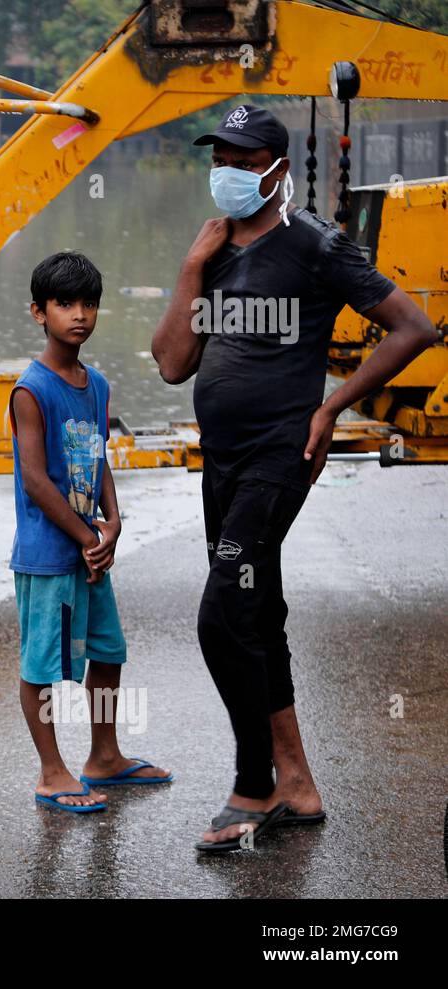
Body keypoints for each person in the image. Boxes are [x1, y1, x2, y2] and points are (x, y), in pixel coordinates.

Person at [150, 104, 437, 852]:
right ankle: (299, 785)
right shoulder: (211, 251)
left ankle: (253, 783)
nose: (229, 173)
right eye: (222, 159)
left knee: (221, 614)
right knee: (257, 611)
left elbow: (414, 327)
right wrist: (189, 266)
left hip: (282, 455)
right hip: (224, 457)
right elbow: (174, 363)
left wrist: (332, 407)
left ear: (276, 168)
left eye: (244, 162)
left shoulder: (314, 243)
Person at [11, 250, 174, 813]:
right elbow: (35, 478)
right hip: (50, 554)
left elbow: (96, 456)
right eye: (64, 304)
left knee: (106, 654)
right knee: (45, 666)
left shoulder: (96, 384)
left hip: (89, 550)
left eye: (88, 303)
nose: (78, 314)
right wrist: (85, 537)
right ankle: (51, 772)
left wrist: (113, 519)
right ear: (39, 312)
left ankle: (104, 756)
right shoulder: (31, 390)